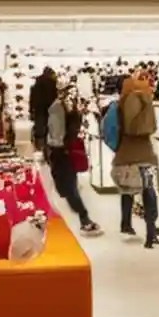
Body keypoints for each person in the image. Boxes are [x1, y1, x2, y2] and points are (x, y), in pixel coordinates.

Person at [112, 71, 159, 248]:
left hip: (128, 154)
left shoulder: (124, 101)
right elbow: (143, 128)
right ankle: (151, 233)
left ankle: (128, 224)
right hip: (142, 154)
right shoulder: (139, 99)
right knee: (148, 192)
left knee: (129, 190)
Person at [46, 84, 102, 236]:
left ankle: (84, 218)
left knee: (69, 187)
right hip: (62, 152)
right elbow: (57, 132)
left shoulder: (63, 107)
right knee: (68, 188)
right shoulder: (59, 107)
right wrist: (62, 145)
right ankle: (83, 219)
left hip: (63, 151)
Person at [28, 67, 58, 153]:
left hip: (39, 110)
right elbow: (55, 98)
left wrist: (31, 111)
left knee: (40, 130)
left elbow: (32, 99)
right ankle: (48, 150)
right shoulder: (53, 84)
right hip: (50, 110)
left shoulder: (36, 85)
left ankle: (39, 148)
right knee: (50, 130)